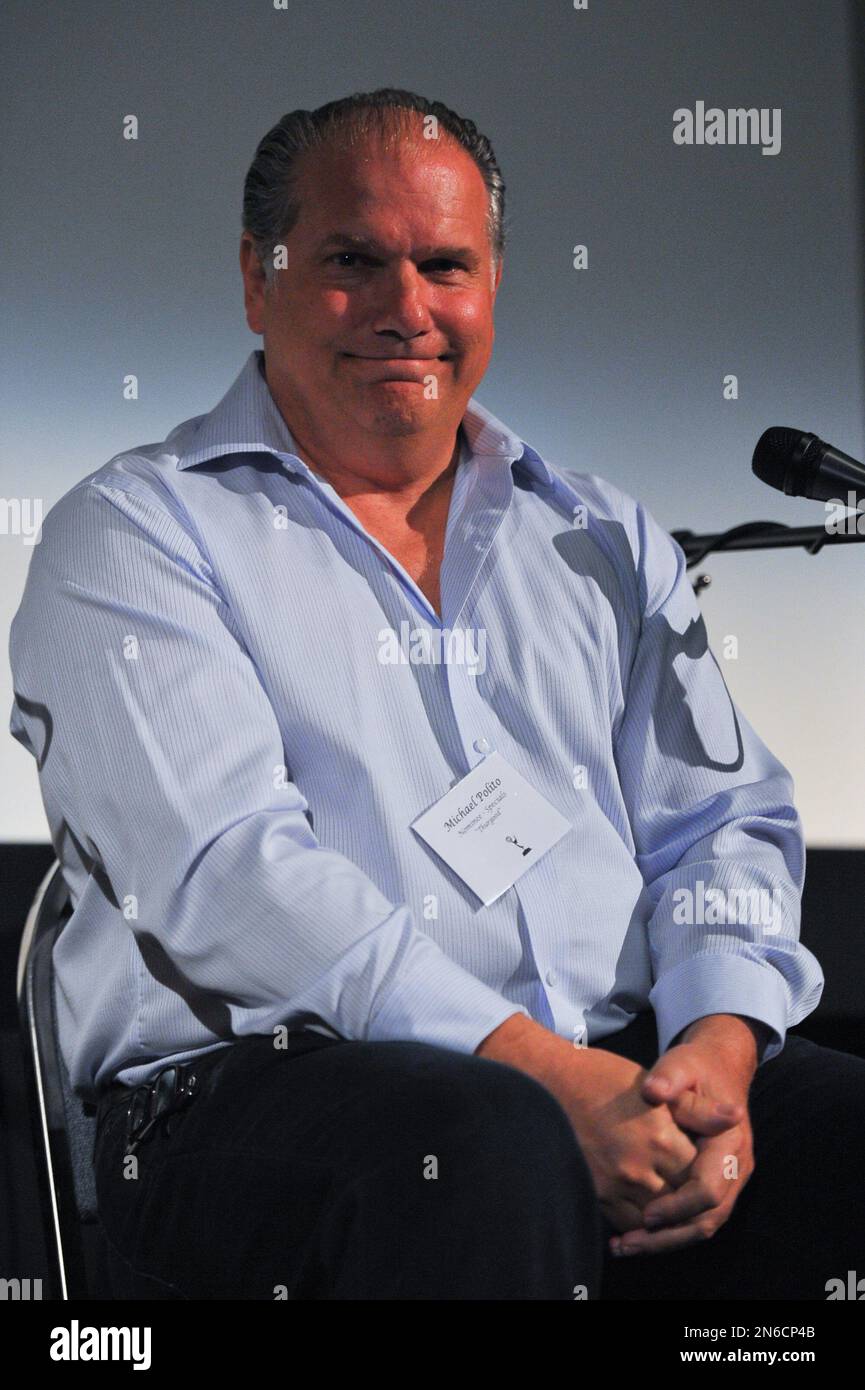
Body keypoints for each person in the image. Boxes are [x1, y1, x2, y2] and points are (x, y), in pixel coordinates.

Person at [8, 88, 863, 1301]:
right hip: (257, 1094)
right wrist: (545, 1079)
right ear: (261, 279)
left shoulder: (600, 535)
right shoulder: (136, 535)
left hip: (618, 1069)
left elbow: (718, 825)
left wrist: (712, 1056)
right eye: (355, 260)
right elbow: (224, 876)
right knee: (475, 1152)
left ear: (492, 288)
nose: (407, 309)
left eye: (445, 264)